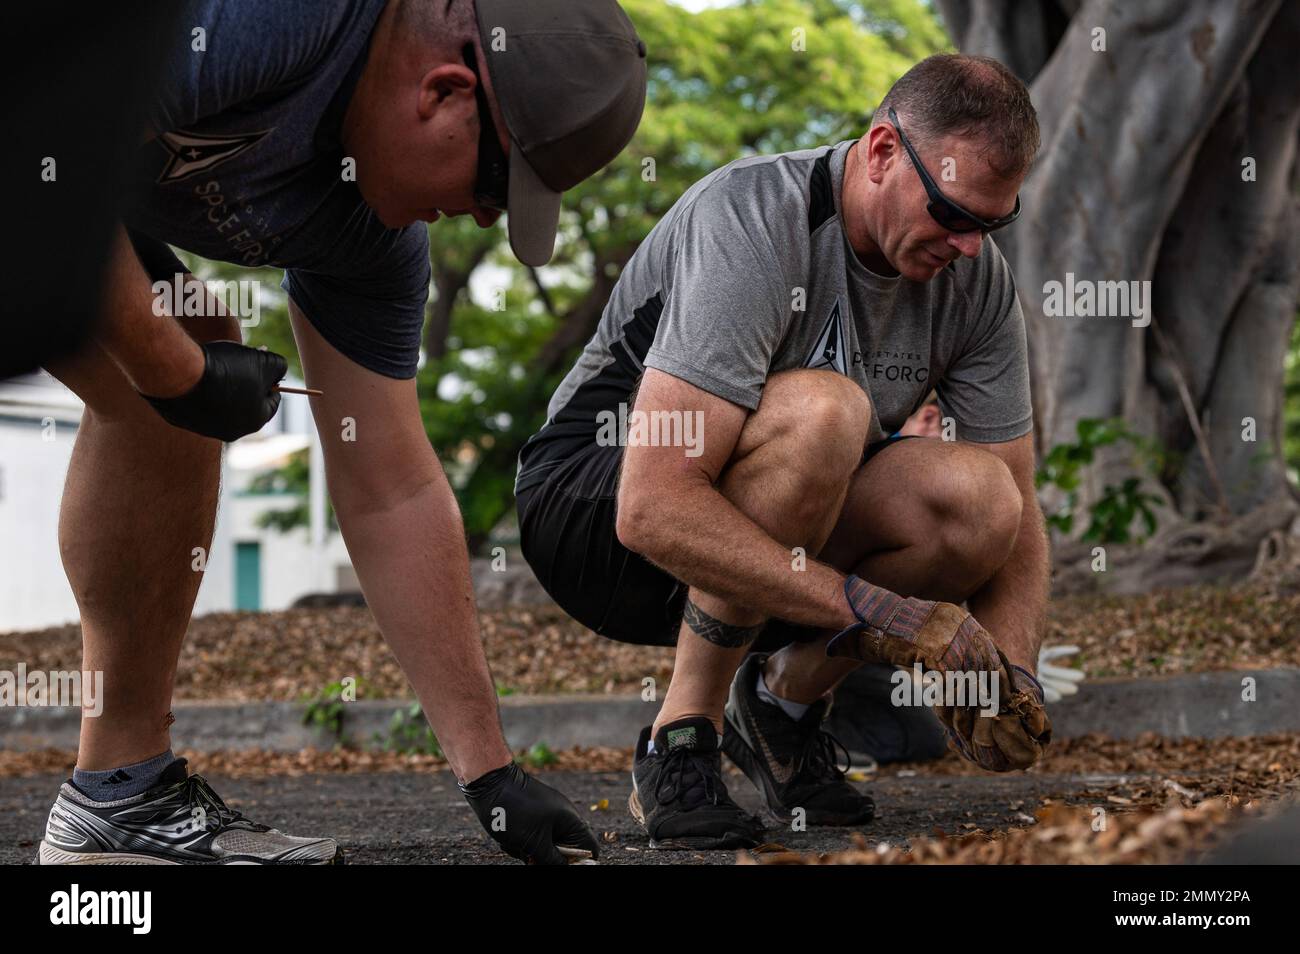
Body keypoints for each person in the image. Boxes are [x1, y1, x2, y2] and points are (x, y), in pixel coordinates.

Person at [36, 0, 647, 866]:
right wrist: (181, 379)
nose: (480, 220)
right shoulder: (275, 18)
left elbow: (390, 486)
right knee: (170, 358)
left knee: (181, 340)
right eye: (490, 187)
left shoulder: (370, 238)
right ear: (444, 92)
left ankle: (120, 800)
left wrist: (493, 776)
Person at [515, 54, 1052, 849]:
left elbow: (1017, 505)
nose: (969, 246)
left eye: (992, 222)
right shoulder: (755, 215)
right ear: (880, 152)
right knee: (826, 412)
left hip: (776, 534)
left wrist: (1012, 676)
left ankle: (781, 707)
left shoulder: (975, 282)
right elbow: (652, 507)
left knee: (980, 503)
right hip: (596, 513)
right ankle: (681, 737)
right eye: (951, 211)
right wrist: (894, 617)